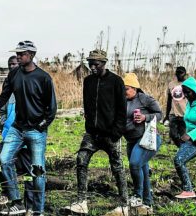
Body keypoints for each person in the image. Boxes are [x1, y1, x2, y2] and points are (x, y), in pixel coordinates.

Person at [0, 41, 57, 216]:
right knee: (3, 159)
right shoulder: (14, 74)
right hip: (17, 128)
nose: (18, 56)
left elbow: (51, 108)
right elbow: (4, 97)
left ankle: (38, 211)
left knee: (37, 170)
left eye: (22, 54)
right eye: (17, 54)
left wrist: (41, 126)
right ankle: (16, 202)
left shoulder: (43, 78)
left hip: (36, 131)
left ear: (32, 55)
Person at [75, 49, 128, 202]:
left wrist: (116, 132)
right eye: (90, 64)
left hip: (111, 133)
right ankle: (81, 200)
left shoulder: (116, 81)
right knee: (81, 160)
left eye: (96, 64)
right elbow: (87, 105)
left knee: (117, 166)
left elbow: (122, 109)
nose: (92, 67)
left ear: (104, 63)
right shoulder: (88, 81)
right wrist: (89, 125)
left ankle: (124, 201)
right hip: (92, 133)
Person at [0, 55, 36, 212]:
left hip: (26, 133)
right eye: (10, 64)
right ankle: (10, 195)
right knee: (0, 160)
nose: (12, 66)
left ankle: (29, 204)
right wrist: (3, 121)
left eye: (15, 64)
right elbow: (3, 108)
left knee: (27, 168)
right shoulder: (9, 83)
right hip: (9, 133)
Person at [122, 73, 162, 207]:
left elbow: (160, 114)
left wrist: (145, 117)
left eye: (126, 89)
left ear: (134, 88)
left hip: (146, 139)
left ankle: (137, 196)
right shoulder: (122, 100)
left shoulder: (145, 99)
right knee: (142, 168)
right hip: (131, 140)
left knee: (134, 164)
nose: (124, 91)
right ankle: (147, 202)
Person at [164, 66, 189, 144]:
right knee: (173, 135)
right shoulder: (171, 84)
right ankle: (180, 146)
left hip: (185, 114)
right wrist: (166, 115)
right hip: (173, 113)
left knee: (183, 135)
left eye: (181, 73)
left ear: (185, 73)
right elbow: (169, 100)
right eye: (177, 72)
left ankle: (182, 148)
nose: (179, 74)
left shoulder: (188, 84)